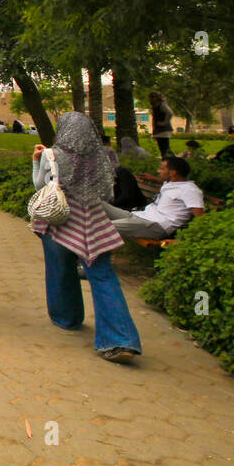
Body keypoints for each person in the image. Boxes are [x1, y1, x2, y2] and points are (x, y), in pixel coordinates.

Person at [31, 112, 142, 363]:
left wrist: (36, 161)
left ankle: (66, 318)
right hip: (93, 220)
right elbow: (105, 191)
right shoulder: (99, 157)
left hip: (59, 221)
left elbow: (40, 186)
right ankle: (120, 339)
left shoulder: (53, 155)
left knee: (60, 270)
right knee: (103, 276)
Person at [102, 155, 206, 241]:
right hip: (139, 216)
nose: (158, 171)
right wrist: (154, 179)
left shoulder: (190, 190)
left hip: (155, 226)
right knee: (96, 203)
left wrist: (180, 241)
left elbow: (200, 218)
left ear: (173, 173)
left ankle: (96, 261)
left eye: (161, 169)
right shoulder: (172, 183)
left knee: (101, 228)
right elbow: (169, 184)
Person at [148, 91, 173, 158]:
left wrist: (165, 122)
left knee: (165, 149)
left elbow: (170, 113)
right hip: (159, 130)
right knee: (164, 149)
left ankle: (170, 162)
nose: (151, 99)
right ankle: (170, 161)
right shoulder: (155, 107)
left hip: (164, 129)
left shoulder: (161, 105)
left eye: (153, 97)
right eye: (150, 97)